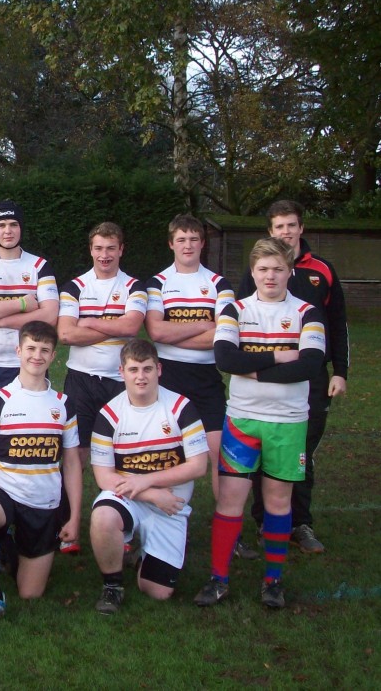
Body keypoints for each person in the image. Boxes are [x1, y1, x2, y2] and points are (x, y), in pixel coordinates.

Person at [195, 238, 325, 609]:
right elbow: (224, 359)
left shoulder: (307, 312)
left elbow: (311, 366)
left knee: (278, 503)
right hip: (243, 421)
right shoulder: (234, 310)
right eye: (263, 269)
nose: (271, 276)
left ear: (290, 271)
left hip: (287, 422)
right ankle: (218, 578)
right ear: (253, 272)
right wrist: (280, 356)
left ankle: (273, 581)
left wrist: (254, 368)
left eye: (278, 269)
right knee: (229, 501)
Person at [237, 200, 349, 554]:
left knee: (299, 452)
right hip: (262, 376)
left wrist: (340, 372)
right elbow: (239, 330)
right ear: (271, 231)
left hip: (310, 376)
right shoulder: (254, 271)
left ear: (301, 228)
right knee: (259, 452)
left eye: (292, 225)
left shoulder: (322, 270)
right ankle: (264, 523)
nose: (286, 231)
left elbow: (337, 324)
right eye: (279, 226)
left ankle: (300, 523)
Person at [0, 321, 82, 628]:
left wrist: (75, 516)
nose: (36, 356)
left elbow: (72, 463)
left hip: (44, 503)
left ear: (55, 356)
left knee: (29, 593)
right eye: (31, 349)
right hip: (5, 492)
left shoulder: (64, 404)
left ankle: (8, 546)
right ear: (18, 351)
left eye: (44, 350)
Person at [89, 339, 208, 615]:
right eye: (133, 370)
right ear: (122, 372)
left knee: (158, 592)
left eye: (147, 369)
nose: (140, 377)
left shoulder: (181, 407)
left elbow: (198, 466)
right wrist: (150, 491)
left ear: (159, 369)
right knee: (103, 515)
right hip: (132, 496)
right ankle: (112, 586)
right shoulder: (109, 415)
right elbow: (104, 477)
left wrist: (147, 480)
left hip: (172, 504)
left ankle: (140, 556)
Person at [144, 214, 232, 498]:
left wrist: (178, 333)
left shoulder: (220, 284)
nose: (188, 245)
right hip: (168, 374)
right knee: (165, 452)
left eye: (194, 239)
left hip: (207, 377)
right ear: (171, 244)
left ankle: (228, 528)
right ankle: (165, 520)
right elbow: (156, 331)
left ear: (202, 243)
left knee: (221, 453)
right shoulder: (157, 283)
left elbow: (225, 336)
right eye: (181, 239)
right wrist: (204, 326)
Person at [58, 221, 147, 462]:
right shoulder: (74, 287)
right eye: (99, 248)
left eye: (110, 248)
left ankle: (115, 499)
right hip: (80, 379)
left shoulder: (134, 286)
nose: (104, 255)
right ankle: (71, 502)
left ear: (121, 250)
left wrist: (89, 322)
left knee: (122, 450)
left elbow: (132, 326)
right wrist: (116, 326)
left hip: (119, 379)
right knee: (77, 452)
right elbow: (66, 334)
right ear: (91, 250)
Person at [0, 200, 58, 396]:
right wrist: (22, 303)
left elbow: (49, 316)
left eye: (14, 224)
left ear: (21, 228)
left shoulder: (40, 265)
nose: (8, 231)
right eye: (1, 225)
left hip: (29, 364)